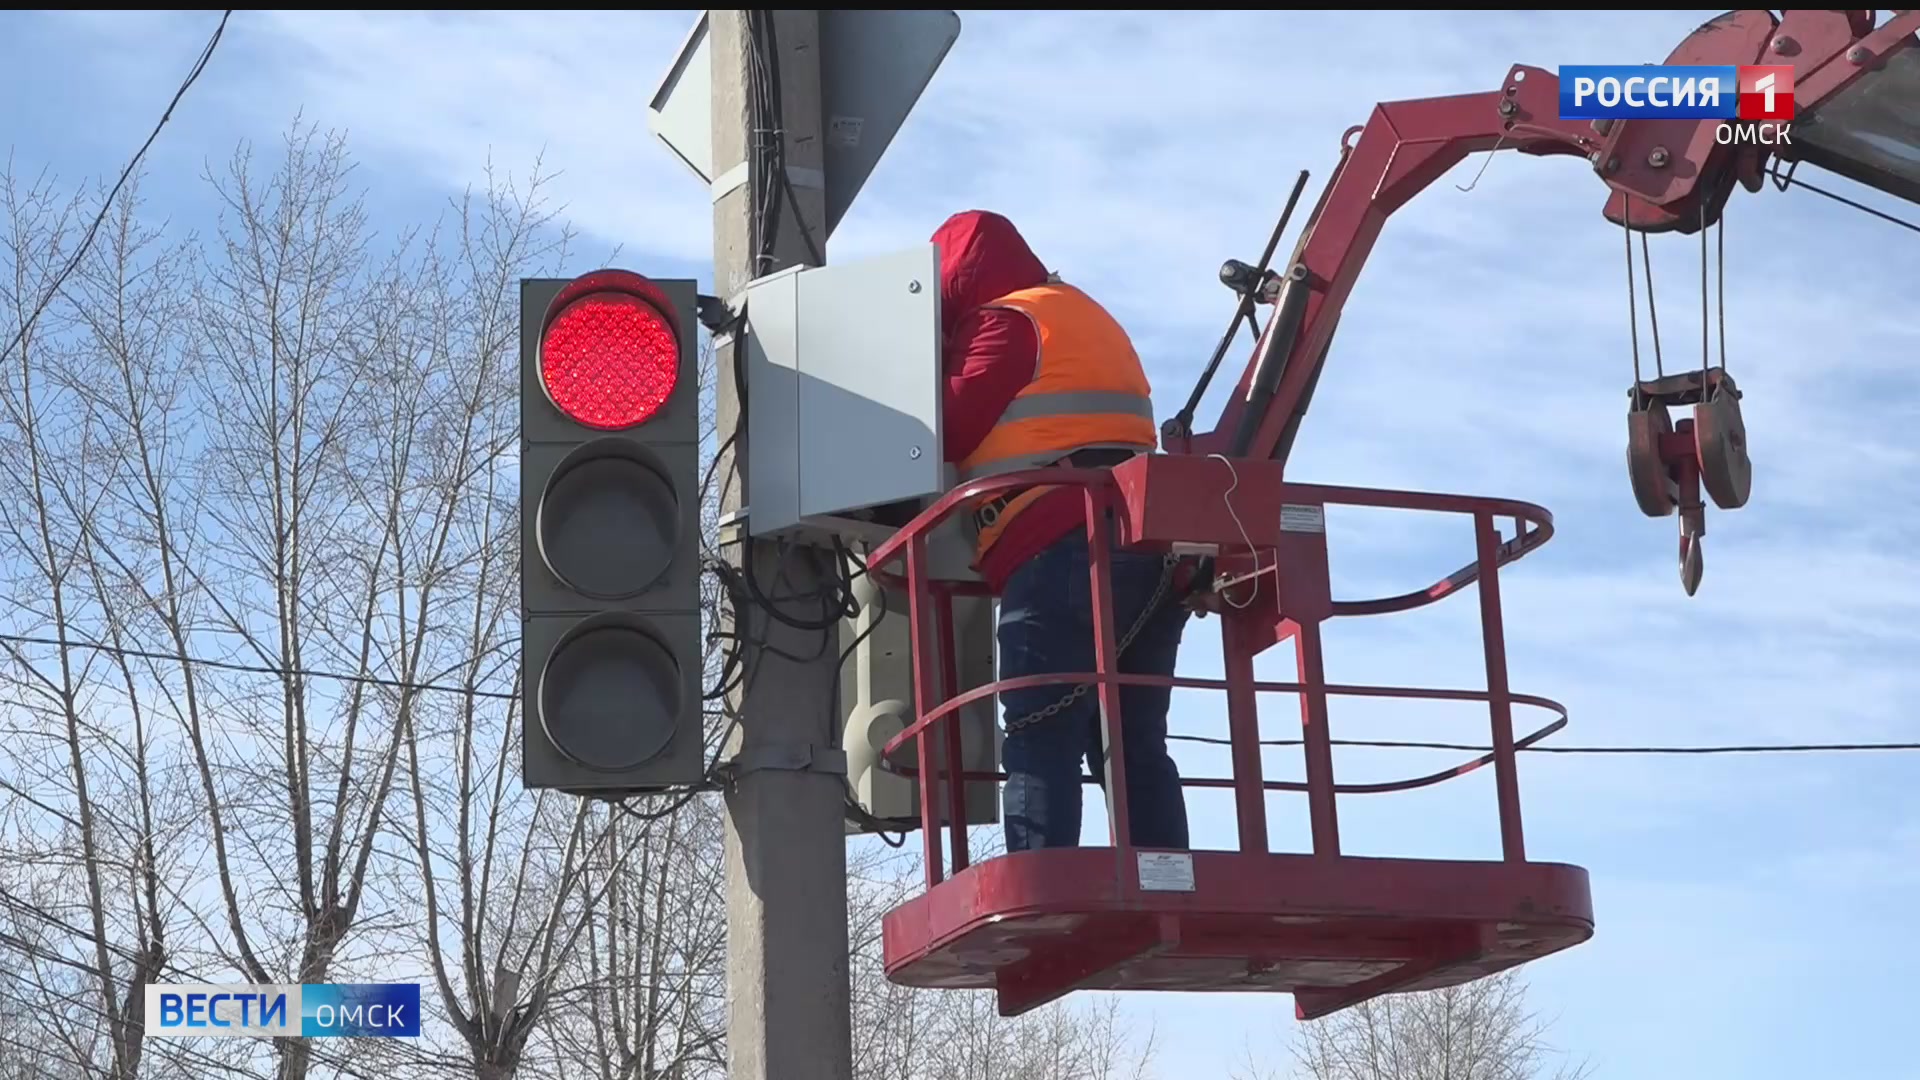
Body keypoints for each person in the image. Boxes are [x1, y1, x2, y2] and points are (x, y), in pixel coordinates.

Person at [931, 209, 1192, 854]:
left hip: (1059, 542)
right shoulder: (1079, 311)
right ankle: (1165, 880)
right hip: (1147, 541)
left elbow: (946, 426)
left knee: (1038, 727)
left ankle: (1047, 892)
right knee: (1131, 738)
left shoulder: (1003, 322)